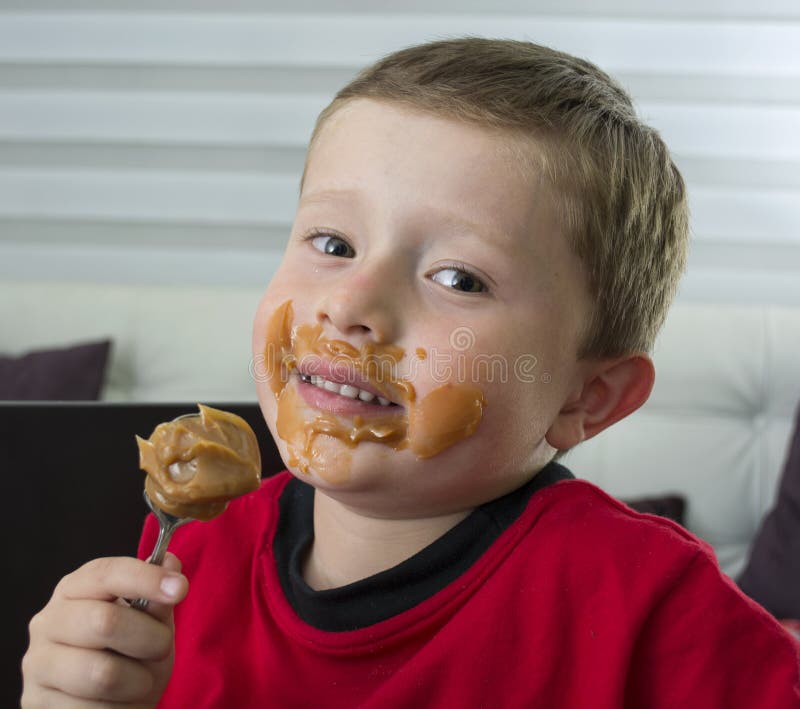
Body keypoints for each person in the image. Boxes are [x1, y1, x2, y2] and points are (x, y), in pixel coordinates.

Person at [21, 38, 800, 708]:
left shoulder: (653, 607)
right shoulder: (193, 557)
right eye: (332, 243)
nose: (351, 302)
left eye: (459, 278)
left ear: (585, 397)